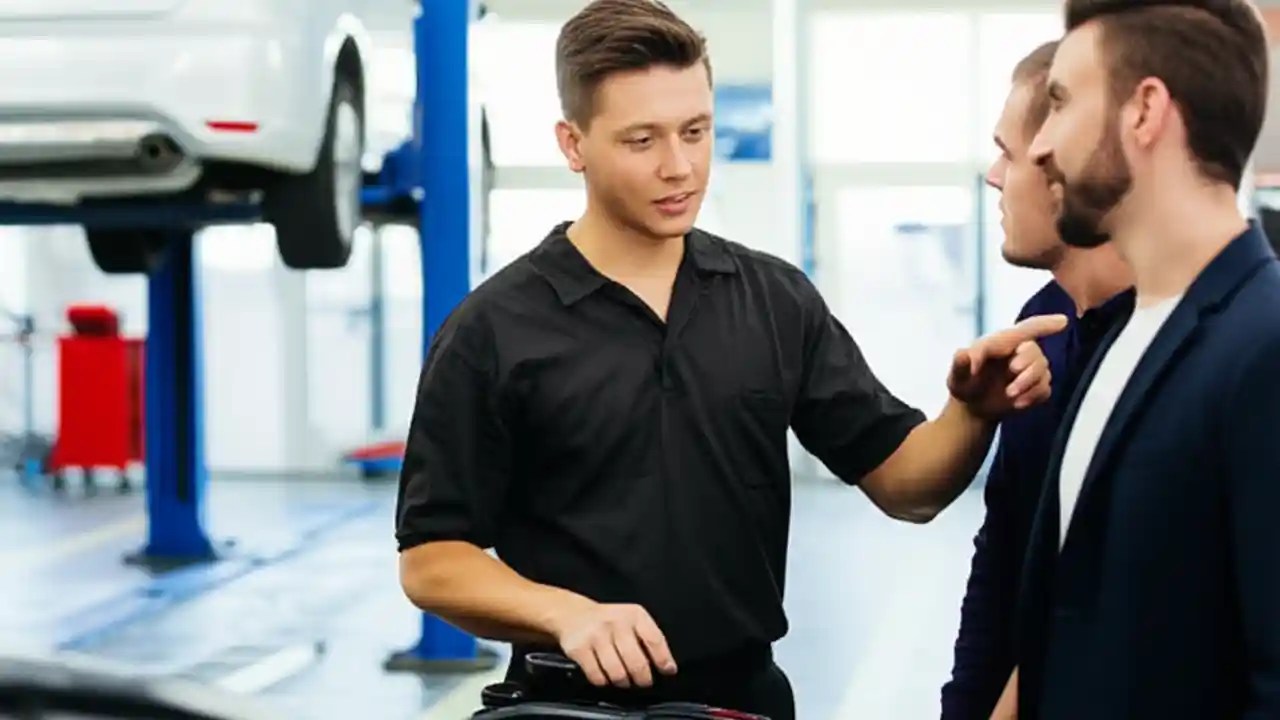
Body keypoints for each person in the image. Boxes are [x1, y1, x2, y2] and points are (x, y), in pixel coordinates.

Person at [394, 1, 1063, 718]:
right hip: (566, 704)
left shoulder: (774, 300)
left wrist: (971, 411)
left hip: (742, 700)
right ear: (573, 143)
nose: (679, 167)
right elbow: (433, 559)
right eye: (641, 140)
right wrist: (566, 613)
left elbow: (908, 487)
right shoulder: (494, 330)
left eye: (696, 132)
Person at [1010, 1, 1280, 718]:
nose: (1039, 148)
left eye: (1061, 103)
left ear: (1145, 111)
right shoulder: (1118, 337)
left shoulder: (1265, 345)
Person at [939, 40, 1134, 720]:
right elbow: (1005, 554)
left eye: (1008, 152)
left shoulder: (1180, 348)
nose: (995, 177)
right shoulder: (1042, 321)